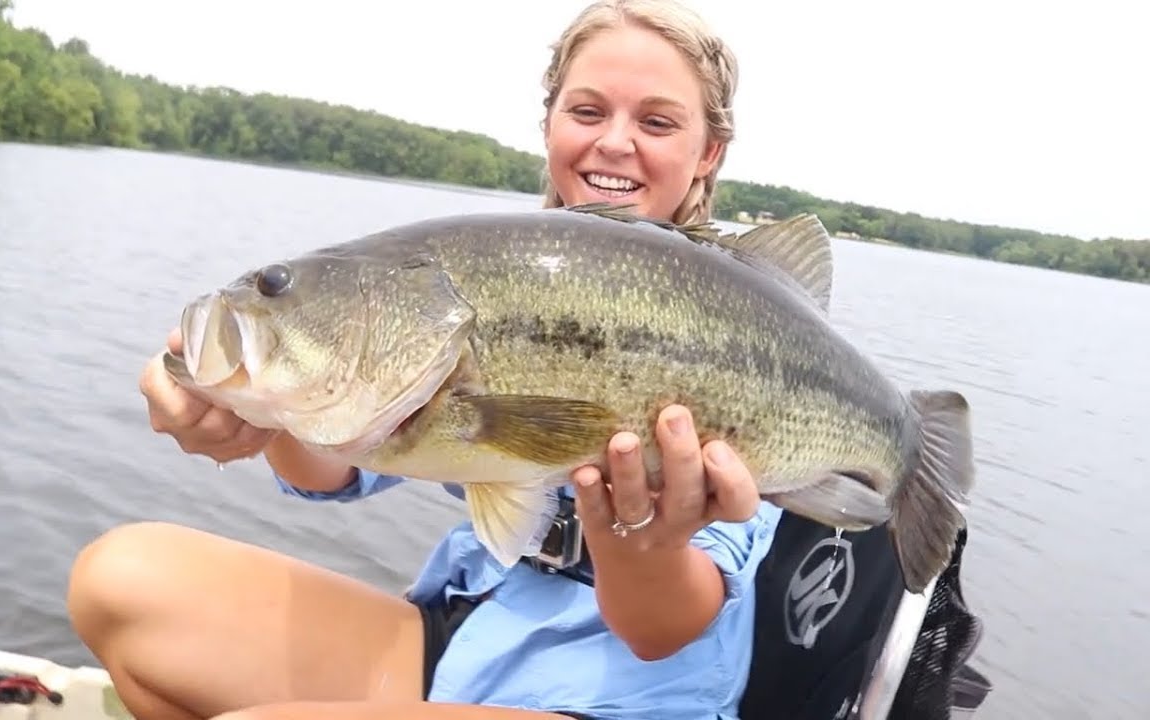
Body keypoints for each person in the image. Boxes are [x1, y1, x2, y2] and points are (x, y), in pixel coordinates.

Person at [66, 2, 785, 719]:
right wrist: (263, 415)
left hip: (623, 696)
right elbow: (336, 471)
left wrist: (639, 534)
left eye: (657, 122)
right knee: (117, 585)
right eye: (587, 111)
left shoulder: (749, 324)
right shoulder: (480, 274)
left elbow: (665, 633)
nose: (615, 143)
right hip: (472, 632)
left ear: (709, 151)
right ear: (549, 124)